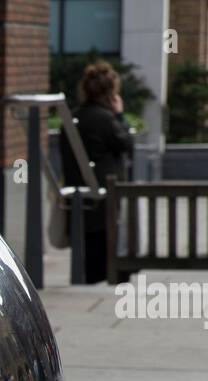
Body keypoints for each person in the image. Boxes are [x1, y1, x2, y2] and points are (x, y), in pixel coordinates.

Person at [61, 61, 133, 284]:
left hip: (78, 192)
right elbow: (126, 144)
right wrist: (120, 116)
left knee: (88, 244)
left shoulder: (73, 118)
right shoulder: (106, 119)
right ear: (112, 93)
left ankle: (87, 278)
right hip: (105, 194)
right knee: (104, 241)